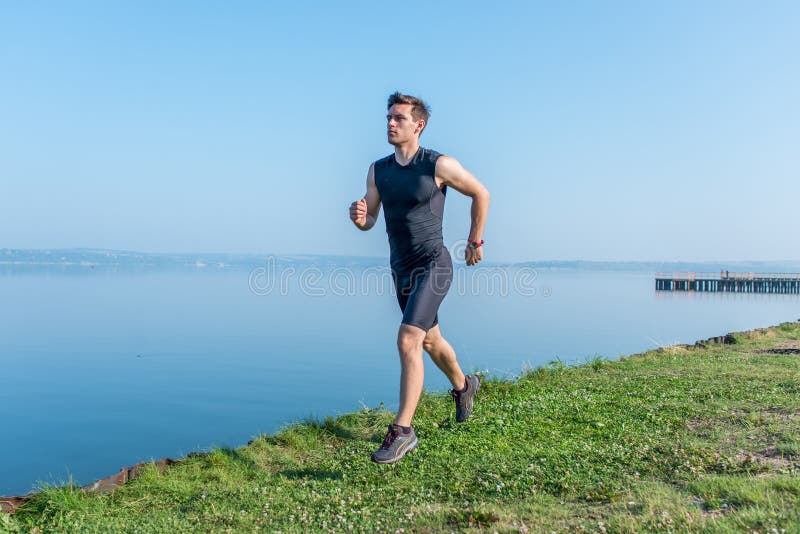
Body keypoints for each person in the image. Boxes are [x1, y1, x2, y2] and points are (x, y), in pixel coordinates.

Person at [349, 92, 490, 464]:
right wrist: (359, 217)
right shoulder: (378, 170)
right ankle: (464, 386)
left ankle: (403, 431)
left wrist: (475, 241)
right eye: (389, 118)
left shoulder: (437, 165)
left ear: (418, 125)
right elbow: (371, 221)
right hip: (401, 269)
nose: (391, 123)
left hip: (434, 265)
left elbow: (480, 193)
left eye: (399, 118)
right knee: (430, 340)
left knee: (408, 339)